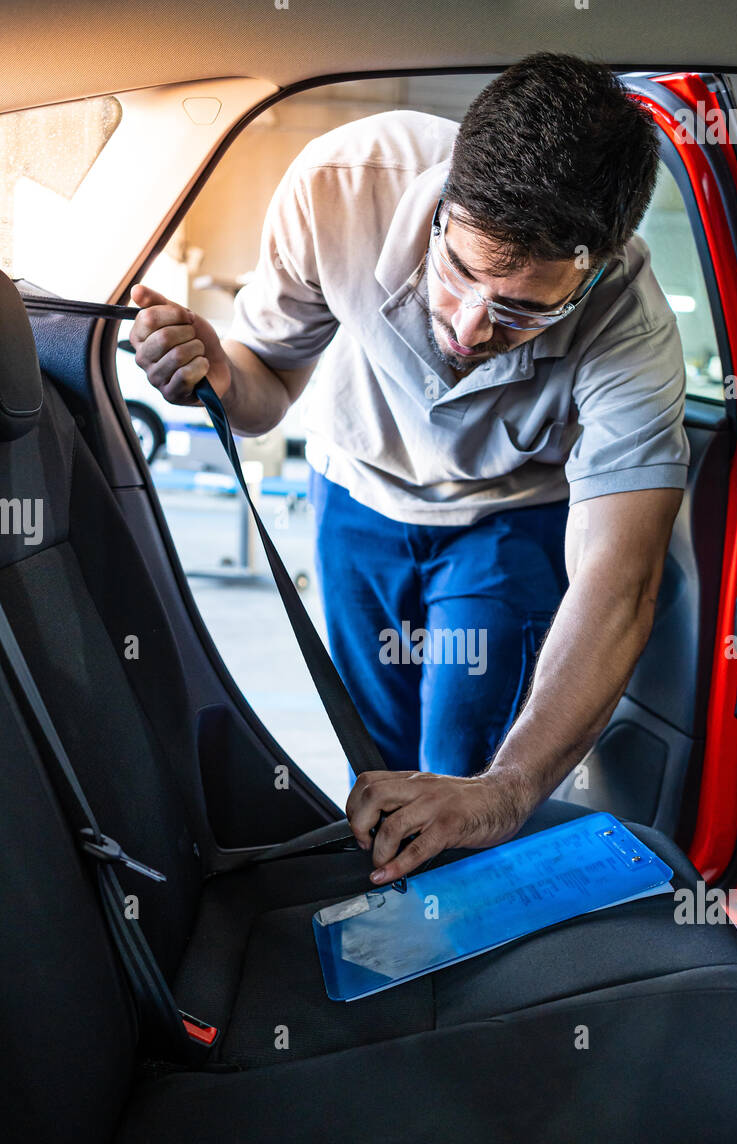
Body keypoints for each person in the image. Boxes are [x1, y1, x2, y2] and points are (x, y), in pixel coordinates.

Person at [130, 52, 688, 889]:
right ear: (442, 203)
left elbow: (620, 578)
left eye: (523, 309)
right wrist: (217, 368)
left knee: (465, 771)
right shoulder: (340, 187)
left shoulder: (631, 325)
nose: (468, 325)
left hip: (506, 519)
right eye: (460, 270)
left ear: (594, 273)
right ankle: (392, 956)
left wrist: (509, 789)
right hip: (356, 496)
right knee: (378, 764)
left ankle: (461, 978)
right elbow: (266, 387)